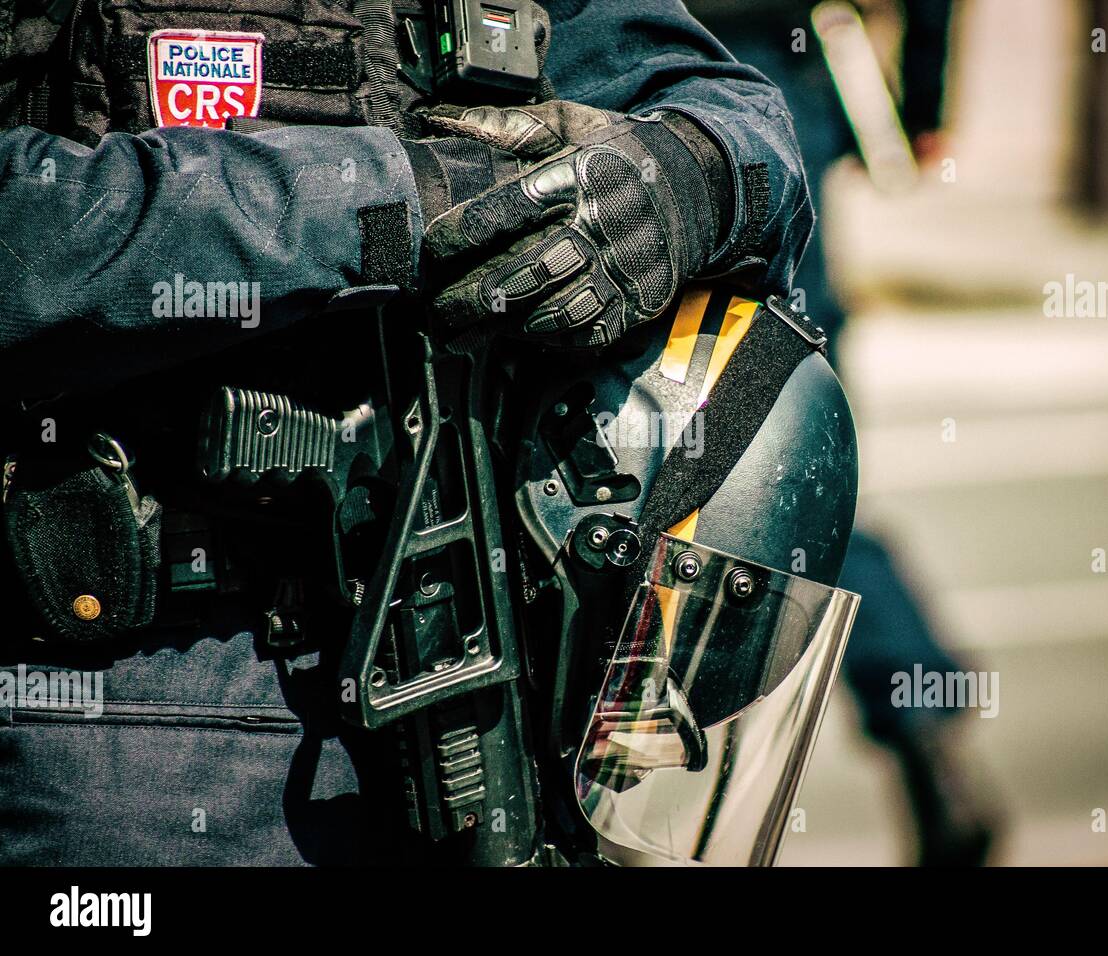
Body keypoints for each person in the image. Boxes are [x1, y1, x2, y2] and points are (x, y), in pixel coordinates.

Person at [0, 0, 814, 865]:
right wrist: (387, 203)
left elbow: (734, 122)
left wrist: (684, 178)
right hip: (134, 717)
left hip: (491, 698)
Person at [690, 0, 1002, 866]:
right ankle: (926, 738)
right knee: (792, 474)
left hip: (636, 102)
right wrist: (923, 100)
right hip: (773, 93)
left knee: (683, 473)